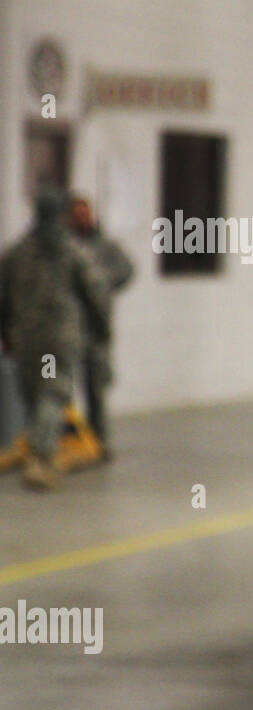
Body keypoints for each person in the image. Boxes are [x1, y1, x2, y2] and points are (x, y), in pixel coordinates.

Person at [0, 187, 111, 490]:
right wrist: (102, 329)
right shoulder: (73, 251)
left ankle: (39, 449)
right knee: (53, 392)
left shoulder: (16, 252)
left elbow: (2, 297)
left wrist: (6, 333)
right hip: (57, 341)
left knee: (35, 393)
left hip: (25, 339)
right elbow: (95, 293)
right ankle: (40, 456)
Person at [68, 194, 133, 453]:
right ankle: (67, 439)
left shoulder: (105, 246)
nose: (82, 217)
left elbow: (126, 269)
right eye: (76, 213)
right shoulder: (63, 247)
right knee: (59, 387)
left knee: (96, 385)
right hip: (66, 329)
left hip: (95, 327)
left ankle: (98, 439)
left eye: (86, 212)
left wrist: (102, 284)